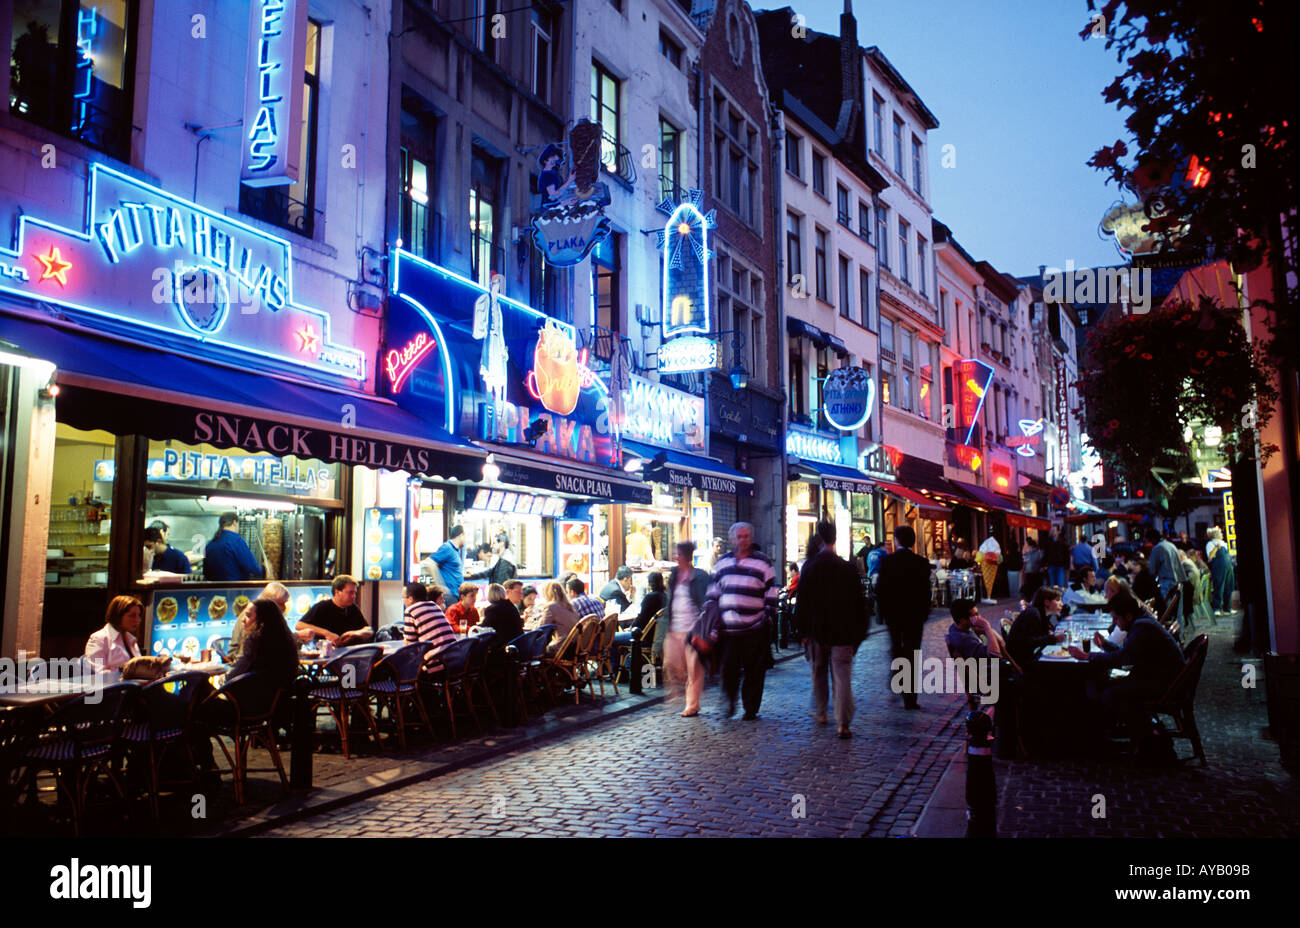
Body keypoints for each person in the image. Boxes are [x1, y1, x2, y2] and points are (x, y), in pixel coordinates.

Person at [1067, 587, 1185, 733]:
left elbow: (1123, 658)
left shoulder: (1142, 628)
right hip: (1161, 678)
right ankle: (1120, 730)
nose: (1115, 623)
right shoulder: (1142, 623)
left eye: (1116, 618)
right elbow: (1129, 654)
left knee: (1108, 693)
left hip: (1163, 684)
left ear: (1128, 616)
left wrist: (1087, 656)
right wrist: (1105, 644)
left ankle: (1142, 734)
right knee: (1100, 683)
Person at [796, 521, 869, 738]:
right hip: (843, 632)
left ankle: (821, 712)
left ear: (819, 539)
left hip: (818, 631)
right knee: (842, 677)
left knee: (819, 673)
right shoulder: (847, 568)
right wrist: (859, 635)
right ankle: (843, 723)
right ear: (835, 539)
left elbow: (803, 603)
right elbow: (859, 604)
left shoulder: (810, 567)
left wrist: (803, 632)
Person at [707, 522, 777, 720]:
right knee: (728, 670)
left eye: (746, 536)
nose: (743, 540)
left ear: (751, 538)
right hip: (729, 630)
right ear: (732, 540)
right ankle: (729, 702)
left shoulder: (763, 563)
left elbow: (771, 593)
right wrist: (713, 622)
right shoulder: (722, 563)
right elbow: (713, 594)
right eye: (739, 536)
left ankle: (750, 707)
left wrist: (768, 618)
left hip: (755, 627)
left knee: (755, 671)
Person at [876, 525, 933, 709]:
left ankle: (897, 676)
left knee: (896, 648)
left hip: (894, 615)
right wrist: (924, 613)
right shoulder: (921, 562)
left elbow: (881, 590)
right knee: (912, 653)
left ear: (897, 541)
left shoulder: (888, 561)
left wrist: (883, 613)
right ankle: (910, 697)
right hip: (914, 617)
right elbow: (926, 592)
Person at [657, 541, 709, 717]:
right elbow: (670, 601)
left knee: (694, 669)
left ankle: (692, 705)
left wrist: (702, 630)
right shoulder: (674, 575)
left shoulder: (700, 577)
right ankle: (676, 693)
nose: (675, 557)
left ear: (686, 556)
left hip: (693, 630)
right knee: (671, 665)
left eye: (678, 554)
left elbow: (706, 604)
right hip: (675, 628)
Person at [228, 598, 299, 688]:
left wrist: (218, 679)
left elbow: (231, 677)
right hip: (277, 698)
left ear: (261, 622)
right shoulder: (286, 641)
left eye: (248, 616)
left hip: (247, 698)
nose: (243, 620)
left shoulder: (252, 643)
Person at [296, 575, 372, 646]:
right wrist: (327, 633)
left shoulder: (353, 608)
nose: (353, 596)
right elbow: (299, 625)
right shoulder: (322, 607)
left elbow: (369, 630)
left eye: (355, 593)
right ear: (337, 592)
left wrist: (356, 633)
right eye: (350, 593)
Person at [1006, 587, 1067, 669]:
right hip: (1021, 662)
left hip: (1029, 656)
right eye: (1058, 600)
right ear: (1046, 602)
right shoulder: (1033, 614)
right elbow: (1029, 642)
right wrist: (1053, 638)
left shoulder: (1043, 614)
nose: (1062, 604)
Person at [84, 595, 145, 674]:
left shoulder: (131, 639)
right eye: (132, 616)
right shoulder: (99, 639)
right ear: (117, 616)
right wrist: (123, 671)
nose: (137, 620)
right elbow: (98, 673)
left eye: (139, 615)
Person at [203, 512, 263, 581]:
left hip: (214, 590)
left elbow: (206, 572)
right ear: (234, 523)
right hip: (234, 589)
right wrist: (264, 569)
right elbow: (252, 568)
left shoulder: (210, 544)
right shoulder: (236, 541)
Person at [945, 599, 1010, 662]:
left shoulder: (955, 627)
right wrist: (987, 627)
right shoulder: (964, 639)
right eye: (975, 615)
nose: (979, 617)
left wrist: (980, 630)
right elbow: (994, 655)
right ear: (963, 621)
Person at [402, 580, 457, 651]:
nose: (403, 600)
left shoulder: (410, 611)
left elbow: (411, 646)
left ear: (410, 599)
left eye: (403, 597)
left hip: (437, 658)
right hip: (455, 655)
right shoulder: (434, 605)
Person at [536, 581, 580, 655]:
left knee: (535, 650)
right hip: (575, 647)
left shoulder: (551, 607)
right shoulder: (570, 606)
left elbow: (540, 628)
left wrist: (535, 620)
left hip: (562, 648)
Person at [1148, 531, 1187, 612]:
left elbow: (1152, 569)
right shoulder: (1171, 545)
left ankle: (1168, 622)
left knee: (1168, 609)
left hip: (1167, 581)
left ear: (1152, 539)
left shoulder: (1157, 548)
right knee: (1178, 610)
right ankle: (1179, 623)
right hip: (1179, 580)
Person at [480, 582, 525, 647]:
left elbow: (484, 630)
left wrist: (482, 616)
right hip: (517, 645)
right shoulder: (511, 607)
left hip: (502, 648)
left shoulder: (492, 609)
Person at [431, 525, 467, 597]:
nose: (466, 539)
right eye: (466, 536)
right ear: (461, 535)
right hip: (450, 595)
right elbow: (430, 562)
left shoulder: (456, 550)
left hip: (457, 594)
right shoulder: (447, 547)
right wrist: (439, 584)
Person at [1205, 527, 1234, 615]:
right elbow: (1210, 558)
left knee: (1228, 586)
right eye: (1220, 533)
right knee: (1219, 587)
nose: (1222, 534)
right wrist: (1216, 548)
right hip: (1218, 568)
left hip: (1228, 566)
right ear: (1216, 535)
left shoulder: (1224, 543)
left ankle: (1227, 608)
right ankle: (1217, 608)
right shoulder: (1210, 544)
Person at [976, 530, 1001, 605]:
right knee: (988, 580)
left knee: (988, 580)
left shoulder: (983, 550)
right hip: (991, 560)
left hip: (989, 560)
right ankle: (988, 595)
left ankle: (988, 595)